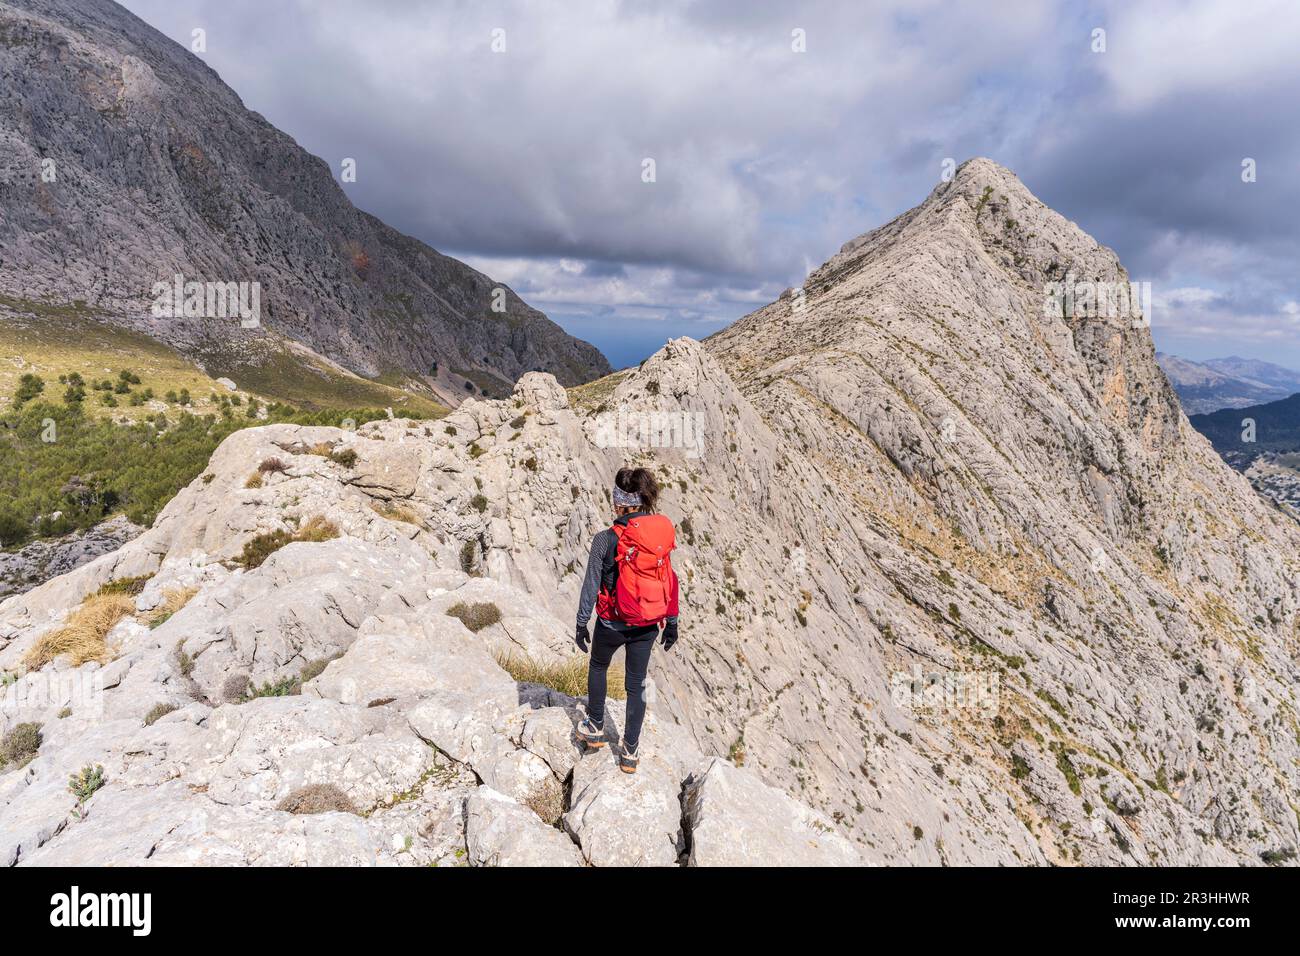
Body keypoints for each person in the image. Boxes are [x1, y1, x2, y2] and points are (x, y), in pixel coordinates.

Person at [573, 467, 679, 773]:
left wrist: (582, 624)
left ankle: (594, 725)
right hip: (647, 624)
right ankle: (630, 752)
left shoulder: (605, 539)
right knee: (637, 685)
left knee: (598, 666)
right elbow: (668, 579)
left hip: (611, 622)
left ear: (619, 502)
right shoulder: (656, 538)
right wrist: (671, 621)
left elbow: (591, 584)